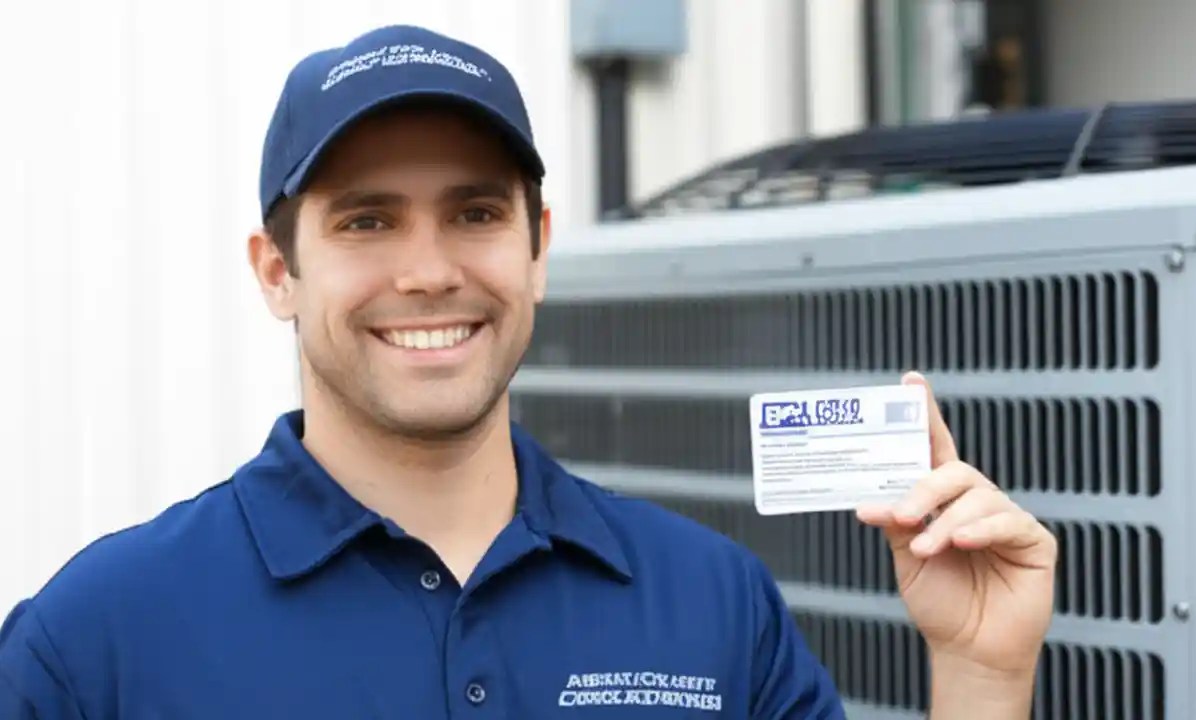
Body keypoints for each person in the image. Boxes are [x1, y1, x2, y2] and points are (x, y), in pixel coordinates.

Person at [0, 23, 1056, 719]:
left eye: (474, 213)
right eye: (367, 220)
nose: (427, 272)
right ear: (277, 271)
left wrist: (979, 672)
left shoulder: (709, 602)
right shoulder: (101, 639)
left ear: (536, 248)